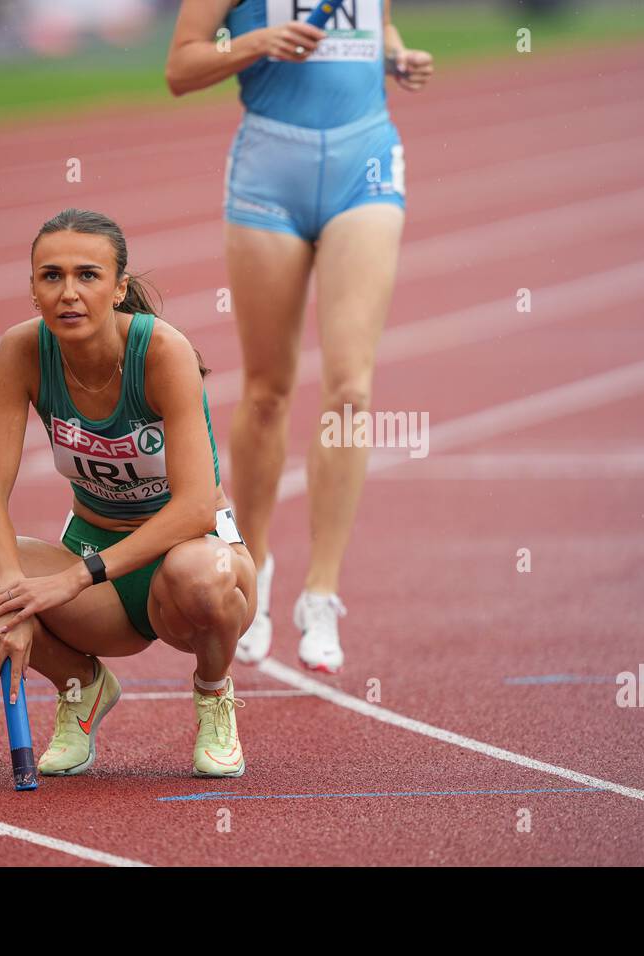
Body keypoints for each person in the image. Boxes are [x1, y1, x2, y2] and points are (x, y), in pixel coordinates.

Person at [0, 208, 257, 779]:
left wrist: (76, 577)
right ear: (32, 289)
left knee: (199, 577)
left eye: (88, 276)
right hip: (96, 572)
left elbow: (197, 505)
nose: (68, 293)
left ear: (119, 287)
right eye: (51, 276)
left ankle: (213, 694)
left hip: (193, 558)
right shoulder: (22, 351)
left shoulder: (161, 351)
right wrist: (12, 599)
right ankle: (82, 686)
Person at [165, 0, 433, 674]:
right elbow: (181, 67)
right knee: (265, 392)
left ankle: (323, 592)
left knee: (351, 389)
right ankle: (251, 571)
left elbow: (378, 23)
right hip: (269, 172)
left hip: (365, 161)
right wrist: (255, 42)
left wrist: (397, 53)